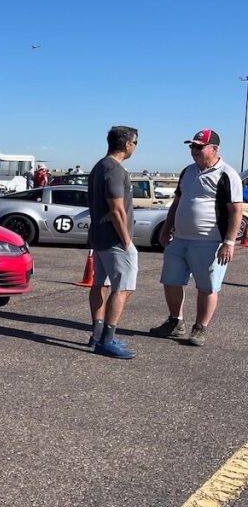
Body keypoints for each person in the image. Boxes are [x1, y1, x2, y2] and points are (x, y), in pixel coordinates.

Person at [149, 129, 243, 347]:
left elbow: (235, 211)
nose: (194, 150)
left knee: (207, 287)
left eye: (199, 147)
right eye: (192, 146)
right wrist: (166, 229)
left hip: (210, 242)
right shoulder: (187, 172)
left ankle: (200, 327)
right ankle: (175, 321)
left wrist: (229, 242)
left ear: (214, 149)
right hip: (180, 239)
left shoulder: (227, 174)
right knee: (171, 281)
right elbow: (176, 203)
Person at [87, 125, 139, 358]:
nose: (135, 147)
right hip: (115, 240)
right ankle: (107, 339)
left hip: (99, 237)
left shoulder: (99, 166)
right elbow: (117, 209)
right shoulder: (115, 170)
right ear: (127, 144)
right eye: (135, 143)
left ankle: (97, 334)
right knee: (123, 287)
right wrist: (126, 240)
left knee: (101, 283)